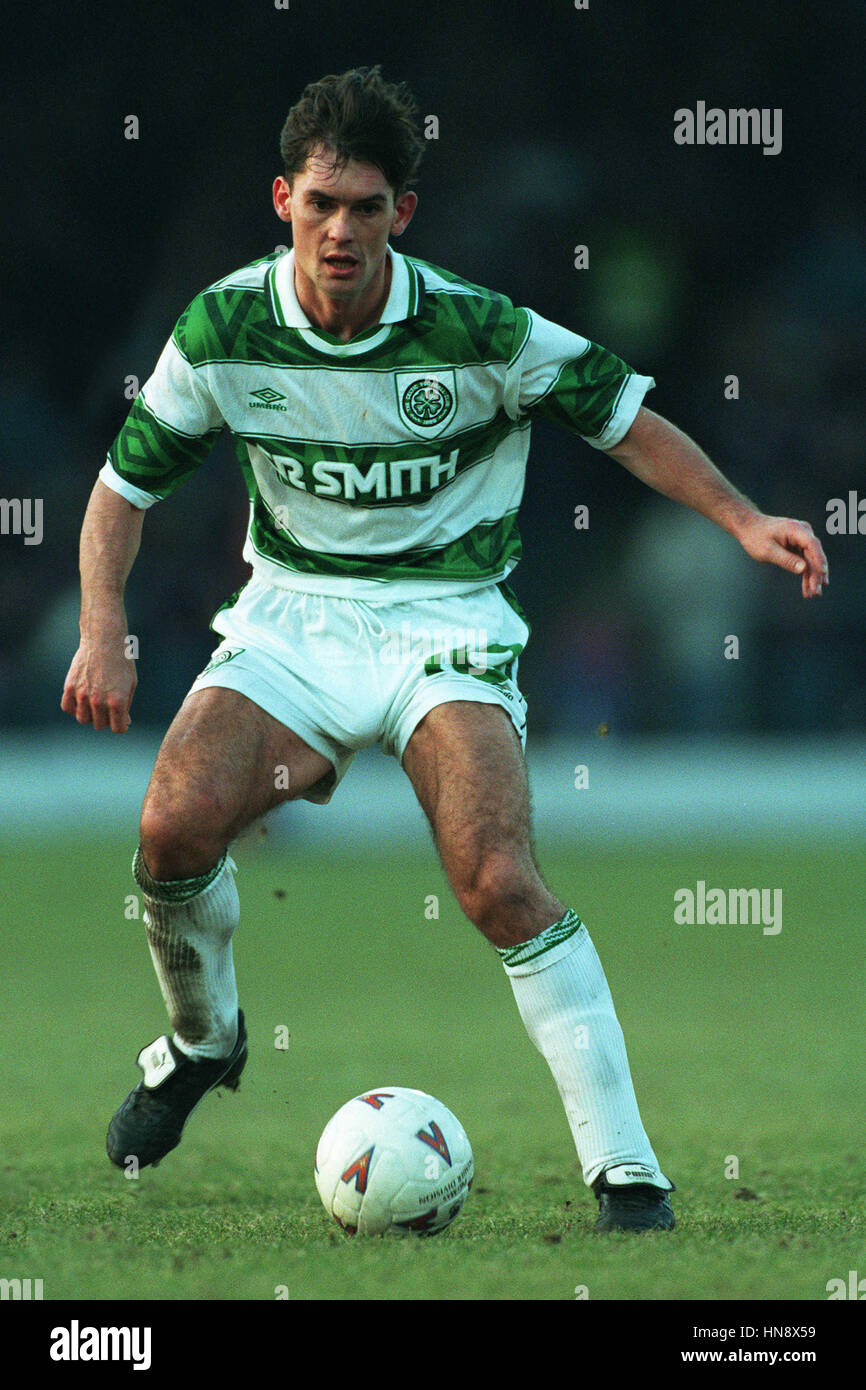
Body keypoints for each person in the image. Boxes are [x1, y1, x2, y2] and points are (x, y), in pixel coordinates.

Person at [61, 66, 828, 1233]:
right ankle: (204, 1042)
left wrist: (738, 517)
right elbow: (122, 490)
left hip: (445, 625)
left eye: (366, 207)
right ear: (282, 200)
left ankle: (625, 1169)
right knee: (168, 827)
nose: (340, 230)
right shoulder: (223, 326)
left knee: (495, 879)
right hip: (292, 625)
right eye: (321, 203)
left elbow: (623, 422)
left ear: (399, 216)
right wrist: (104, 627)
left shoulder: (477, 328)